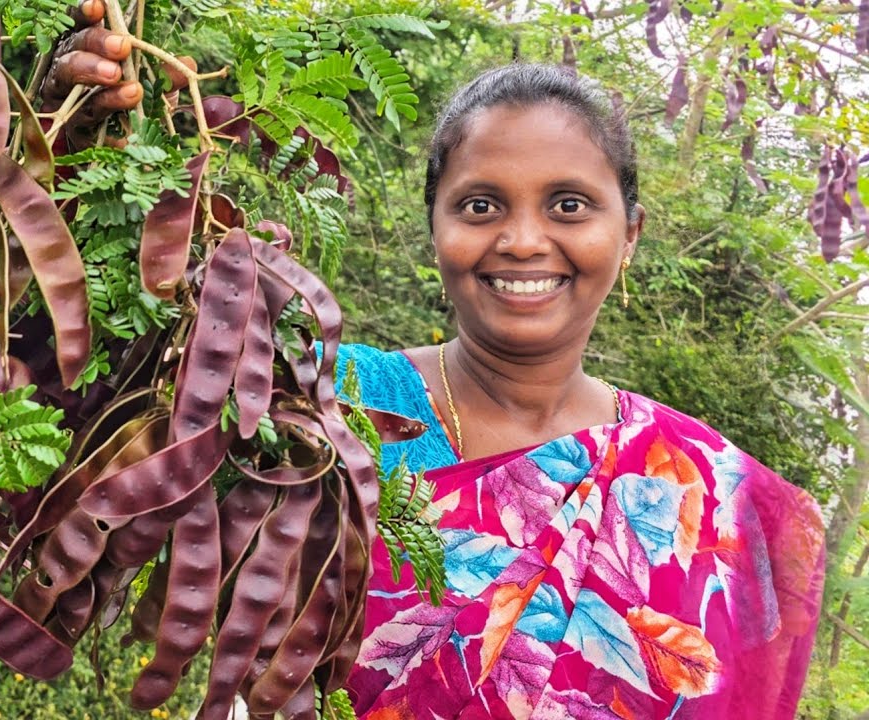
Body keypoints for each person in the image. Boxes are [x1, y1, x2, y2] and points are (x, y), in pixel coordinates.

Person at [44, 8, 826, 718]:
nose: (523, 240)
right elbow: (91, 390)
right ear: (435, 228)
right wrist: (69, 150)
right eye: (481, 205)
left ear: (630, 235)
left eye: (570, 205)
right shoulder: (314, 396)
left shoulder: (724, 502)